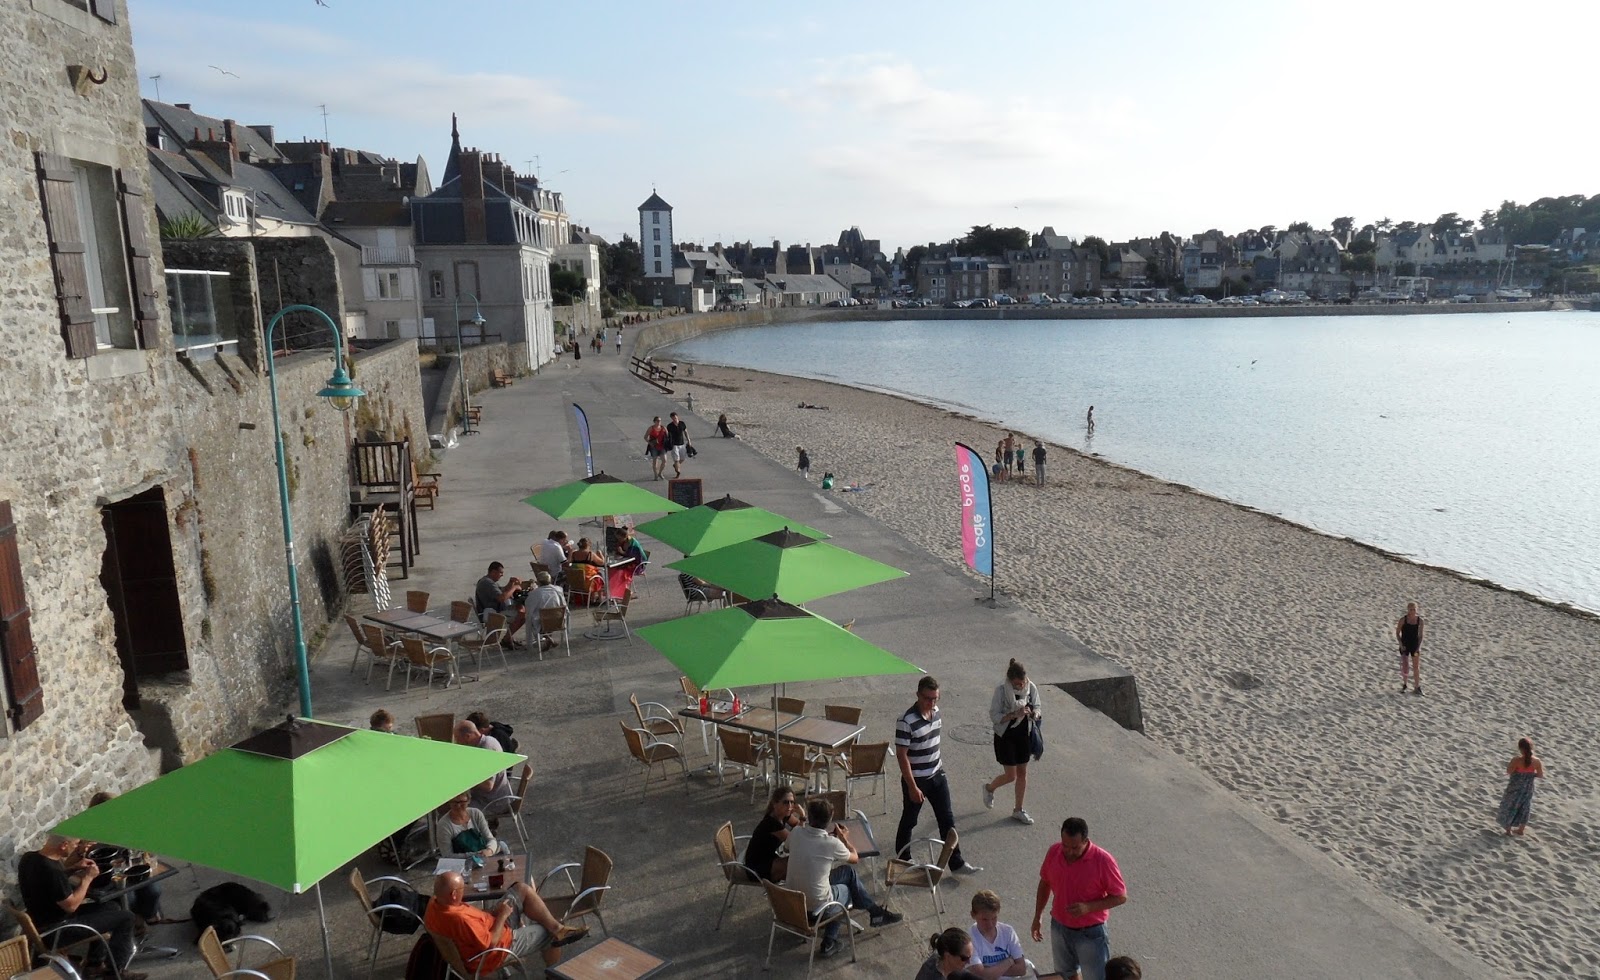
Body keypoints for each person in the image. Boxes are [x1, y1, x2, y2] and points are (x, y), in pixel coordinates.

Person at [18, 834, 146, 980]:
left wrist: (73, 868)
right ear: (64, 845)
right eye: (75, 844)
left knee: (111, 907)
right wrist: (87, 879)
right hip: (57, 930)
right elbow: (71, 906)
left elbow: (51, 883)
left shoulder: (29, 858)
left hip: (42, 921)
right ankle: (115, 973)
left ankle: (94, 964)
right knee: (127, 917)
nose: (76, 848)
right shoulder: (52, 871)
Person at [785, 799, 902, 958]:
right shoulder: (831, 843)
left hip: (791, 904)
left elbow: (788, 847)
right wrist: (844, 839)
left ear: (810, 817)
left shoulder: (797, 832)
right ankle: (830, 941)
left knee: (847, 873)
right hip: (815, 909)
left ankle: (875, 912)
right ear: (830, 819)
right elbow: (855, 858)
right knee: (848, 889)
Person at [895, 675, 979, 874]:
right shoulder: (906, 721)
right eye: (927, 698)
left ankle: (956, 862)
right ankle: (903, 858)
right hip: (917, 780)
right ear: (917, 695)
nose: (931, 703)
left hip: (937, 775)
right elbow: (901, 756)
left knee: (947, 819)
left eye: (935, 699)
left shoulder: (937, 712)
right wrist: (912, 787)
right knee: (910, 820)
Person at [423, 871, 585, 970]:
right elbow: (490, 943)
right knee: (545, 931)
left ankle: (558, 929)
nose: (463, 891)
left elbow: (472, 924)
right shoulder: (459, 919)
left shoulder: (434, 904)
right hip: (496, 949)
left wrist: (491, 914)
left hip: (488, 926)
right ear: (453, 895)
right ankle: (554, 971)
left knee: (521, 889)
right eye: (462, 889)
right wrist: (502, 916)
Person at [1031, 817, 1127, 980]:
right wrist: (1038, 916)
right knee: (1065, 976)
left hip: (1090, 933)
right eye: (1065, 845)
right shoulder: (1054, 852)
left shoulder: (1103, 860)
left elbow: (1120, 896)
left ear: (1086, 841)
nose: (1068, 851)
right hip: (1059, 927)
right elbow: (1045, 882)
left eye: (1075, 847)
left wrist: (1088, 907)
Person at [86, 792, 165, 927]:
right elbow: (73, 861)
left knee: (154, 890)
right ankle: (134, 922)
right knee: (129, 897)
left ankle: (147, 916)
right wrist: (83, 850)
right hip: (108, 877)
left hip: (133, 869)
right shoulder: (88, 831)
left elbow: (147, 849)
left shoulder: (127, 824)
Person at [982, 659, 1042, 825]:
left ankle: (1018, 809)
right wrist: (1014, 714)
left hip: (1024, 734)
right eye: (1016, 684)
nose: (1020, 686)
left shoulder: (1031, 687)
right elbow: (994, 716)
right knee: (1011, 776)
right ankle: (989, 788)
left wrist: (1034, 714)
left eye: (1022, 683)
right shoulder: (1001, 690)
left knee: (1022, 772)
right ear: (1010, 680)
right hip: (1006, 735)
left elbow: (1037, 706)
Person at [454, 719, 514, 812]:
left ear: (467, 736)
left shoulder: (487, 750)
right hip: (484, 797)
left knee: (453, 810)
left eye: (458, 740)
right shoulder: (485, 741)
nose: (457, 744)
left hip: (492, 802)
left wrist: (464, 777)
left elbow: (488, 785)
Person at [745, 786, 802, 883]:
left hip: (768, 858)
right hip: (756, 868)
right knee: (798, 865)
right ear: (775, 803)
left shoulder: (783, 815)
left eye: (792, 802)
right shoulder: (772, 823)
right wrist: (803, 817)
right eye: (785, 802)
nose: (789, 806)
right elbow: (794, 841)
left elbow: (797, 825)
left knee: (799, 865)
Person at [966, 890, 1028, 979]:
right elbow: (981, 975)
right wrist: (1009, 962)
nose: (990, 924)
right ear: (973, 915)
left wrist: (990, 971)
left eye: (994, 918)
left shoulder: (1008, 932)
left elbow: (1021, 969)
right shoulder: (969, 939)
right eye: (985, 920)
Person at [433, 794, 510, 858]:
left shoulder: (476, 813)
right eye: (455, 803)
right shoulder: (444, 825)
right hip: (462, 860)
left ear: (469, 800)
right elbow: (447, 856)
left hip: (483, 853)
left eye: (462, 802)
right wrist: (474, 855)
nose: (458, 806)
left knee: (502, 846)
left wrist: (490, 850)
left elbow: (490, 838)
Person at [1497, 736, 1546, 836]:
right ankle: (1521, 830)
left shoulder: (1516, 760)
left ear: (1520, 748)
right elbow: (1540, 775)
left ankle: (1508, 830)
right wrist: (1530, 775)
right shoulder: (1537, 761)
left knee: (1510, 805)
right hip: (1527, 788)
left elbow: (1509, 771)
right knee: (1524, 807)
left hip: (1514, 787)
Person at [473, 562, 526, 645]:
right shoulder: (487, 583)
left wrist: (510, 583)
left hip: (494, 610)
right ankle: (506, 639)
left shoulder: (489, 581)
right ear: (493, 572)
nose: (502, 575)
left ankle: (508, 638)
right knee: (522, 615)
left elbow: (502, 590)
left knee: (521, 611)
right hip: (492, 614)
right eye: (500, 573)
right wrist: (514, 587)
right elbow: (502, 598)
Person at [523, 570, 567, 650]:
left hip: (543, 623)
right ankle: (549, 639)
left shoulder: (535, 594)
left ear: (538, 582)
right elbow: (564, 605)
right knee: (549, 614)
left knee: (532, 618)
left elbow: (528, 607)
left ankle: (547, 638)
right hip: (558, 621)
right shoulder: (558, 590)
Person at [1395, 601, 1424, 694]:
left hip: (1415, 645)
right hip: (1405, 644)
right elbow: (1397, 633)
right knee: (1405, 665)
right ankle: (1405, 685)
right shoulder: (1403, 620)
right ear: (1408, 610)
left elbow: (1421, 636)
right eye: (1410, 609)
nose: (1412, 611)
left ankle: (1417, 687)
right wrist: (1400, 644)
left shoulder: (1420, 621)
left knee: (1416, 666)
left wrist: (1418, 647)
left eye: (1414, 609)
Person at [665, 411, 691, 478]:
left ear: (677, 417)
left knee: (682, 458)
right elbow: (667, 436)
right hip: (674, 445)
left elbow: (686, 432)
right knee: (676, 459)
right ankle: (678, 472)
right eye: (673, 418)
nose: (675, 419)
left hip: (682, 444)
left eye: (675, 418)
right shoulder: (670, 426)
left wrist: (689, 440)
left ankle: (676, 465)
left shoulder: (682, 424)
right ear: (671, 418)